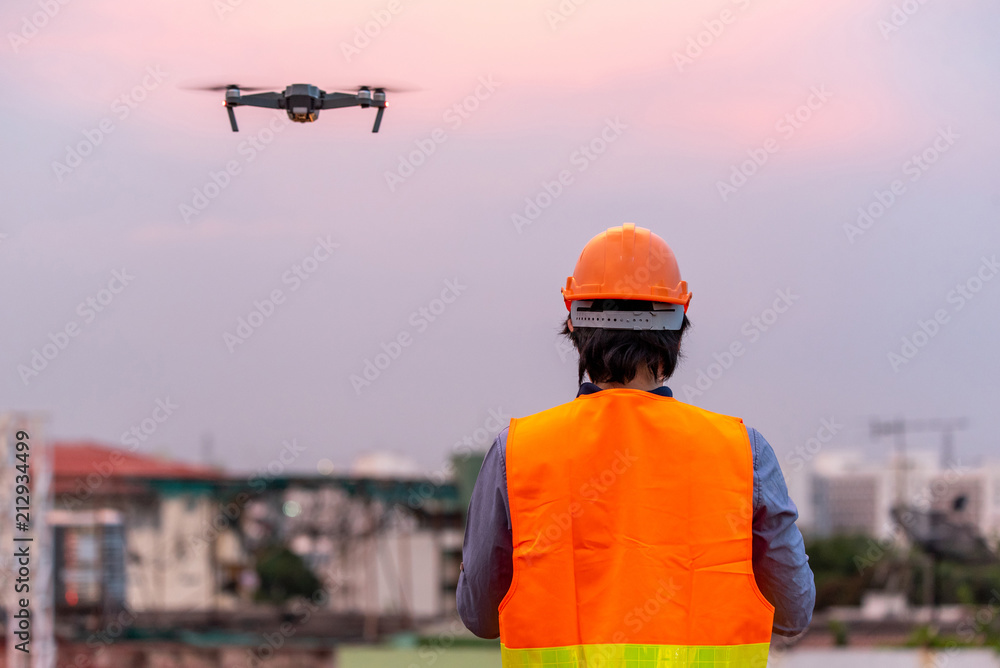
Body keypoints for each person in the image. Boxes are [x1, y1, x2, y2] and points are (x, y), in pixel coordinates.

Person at [456, 223, 815, 667]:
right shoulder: (743, 451)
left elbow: (479, 615)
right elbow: (794, 609)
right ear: (678, 326)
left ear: (574, 324)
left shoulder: (518, 451)